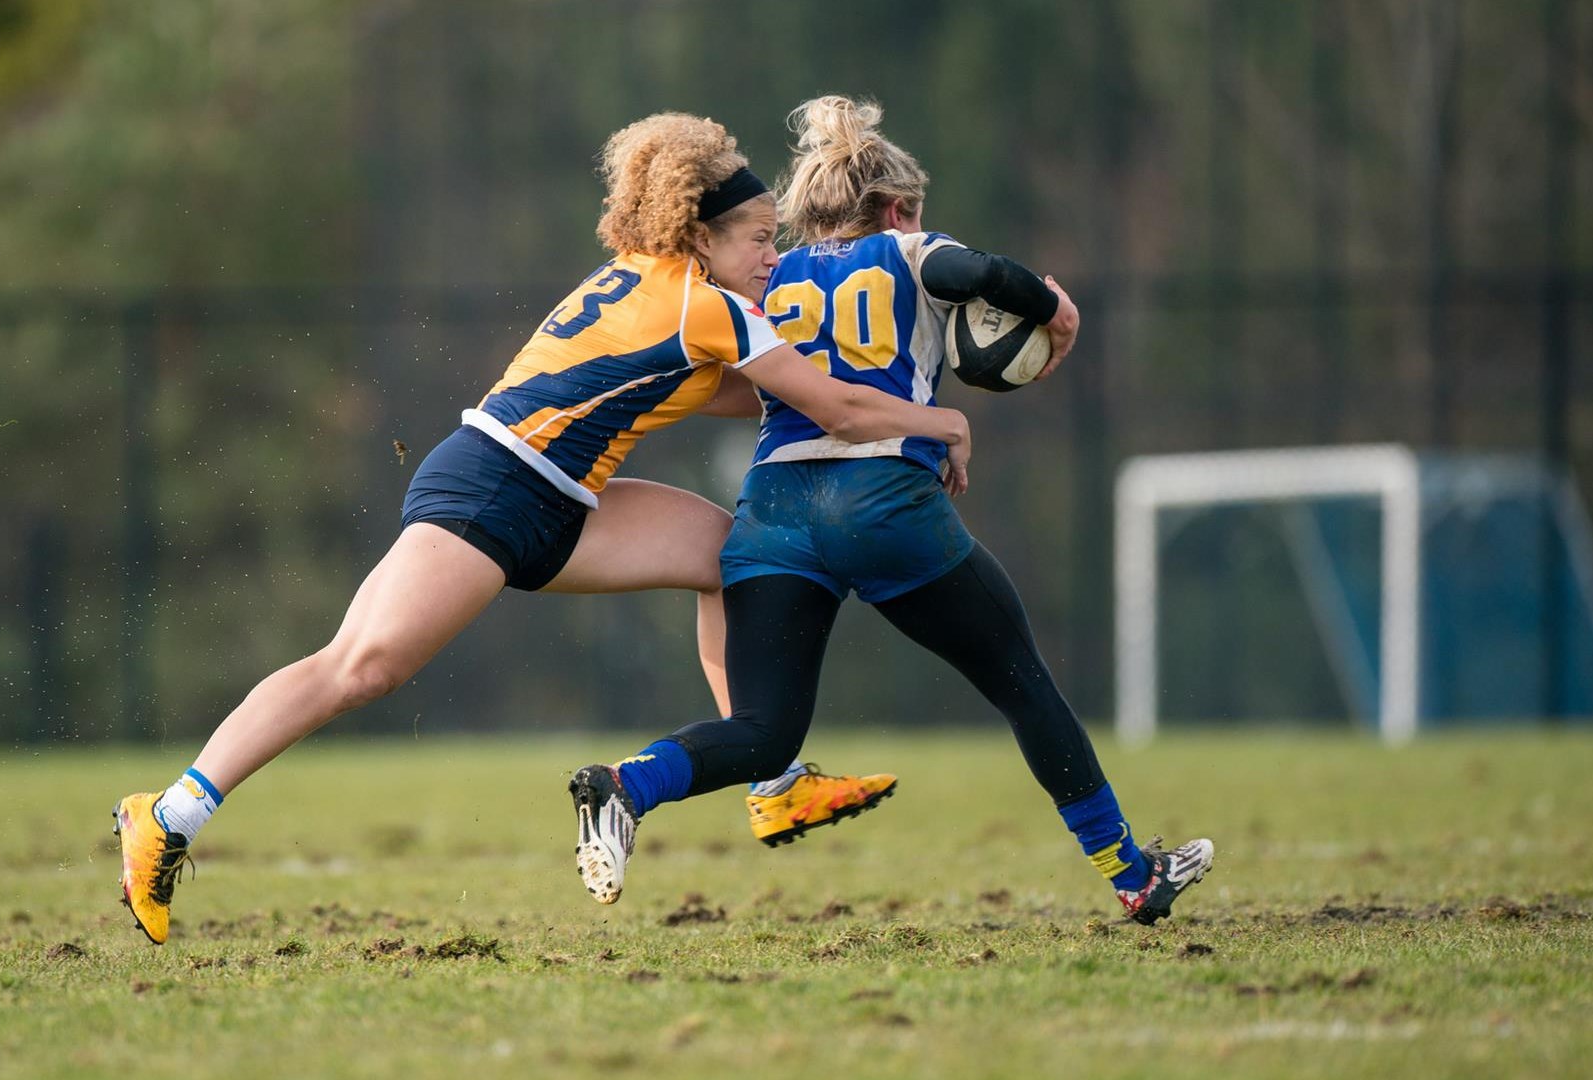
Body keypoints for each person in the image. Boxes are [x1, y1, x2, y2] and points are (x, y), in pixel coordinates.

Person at [111, 112, 971, 944]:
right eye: (757, 237)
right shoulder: (707, 309)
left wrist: (843, 373)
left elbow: (757, 393)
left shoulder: (651, 280)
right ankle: (171, 813)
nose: (772, 255)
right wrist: (944, 423)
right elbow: (830, 405)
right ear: (701, 236)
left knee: (729, 555)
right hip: (493, 485)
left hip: (561, 499)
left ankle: (773, 780)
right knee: (362, 666)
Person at [569, 96, 1213, 924]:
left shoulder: (768, 276)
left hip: (775, 512)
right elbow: (976, 275)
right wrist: (1056, 312)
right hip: (885, 505)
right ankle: (1132, 873)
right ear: (900, 207)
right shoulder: (910, 249)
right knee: (1023, 686)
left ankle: (625, 786)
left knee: (765, 733)